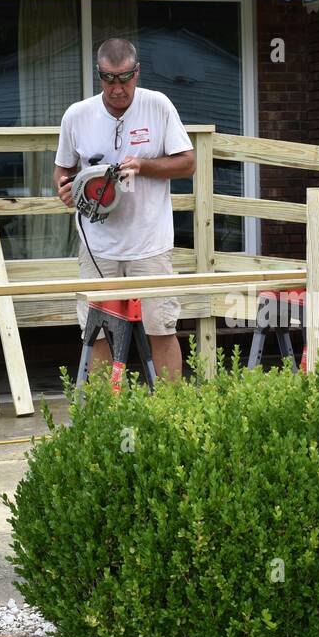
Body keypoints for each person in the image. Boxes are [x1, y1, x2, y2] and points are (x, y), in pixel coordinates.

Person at [53, 38, 196, 381]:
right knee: (98, 333)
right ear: (98, 75)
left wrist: (144, 166)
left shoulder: (158, 106)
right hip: (98, 247)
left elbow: (188, 163)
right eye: (108, 79)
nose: (117, 88)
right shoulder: (77, 115)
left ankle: (168, 413)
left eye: (124, 78)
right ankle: (107, 416)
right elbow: (61, 169)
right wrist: (65, 189)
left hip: (149, 243)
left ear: (137, 72)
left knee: (159, 327)